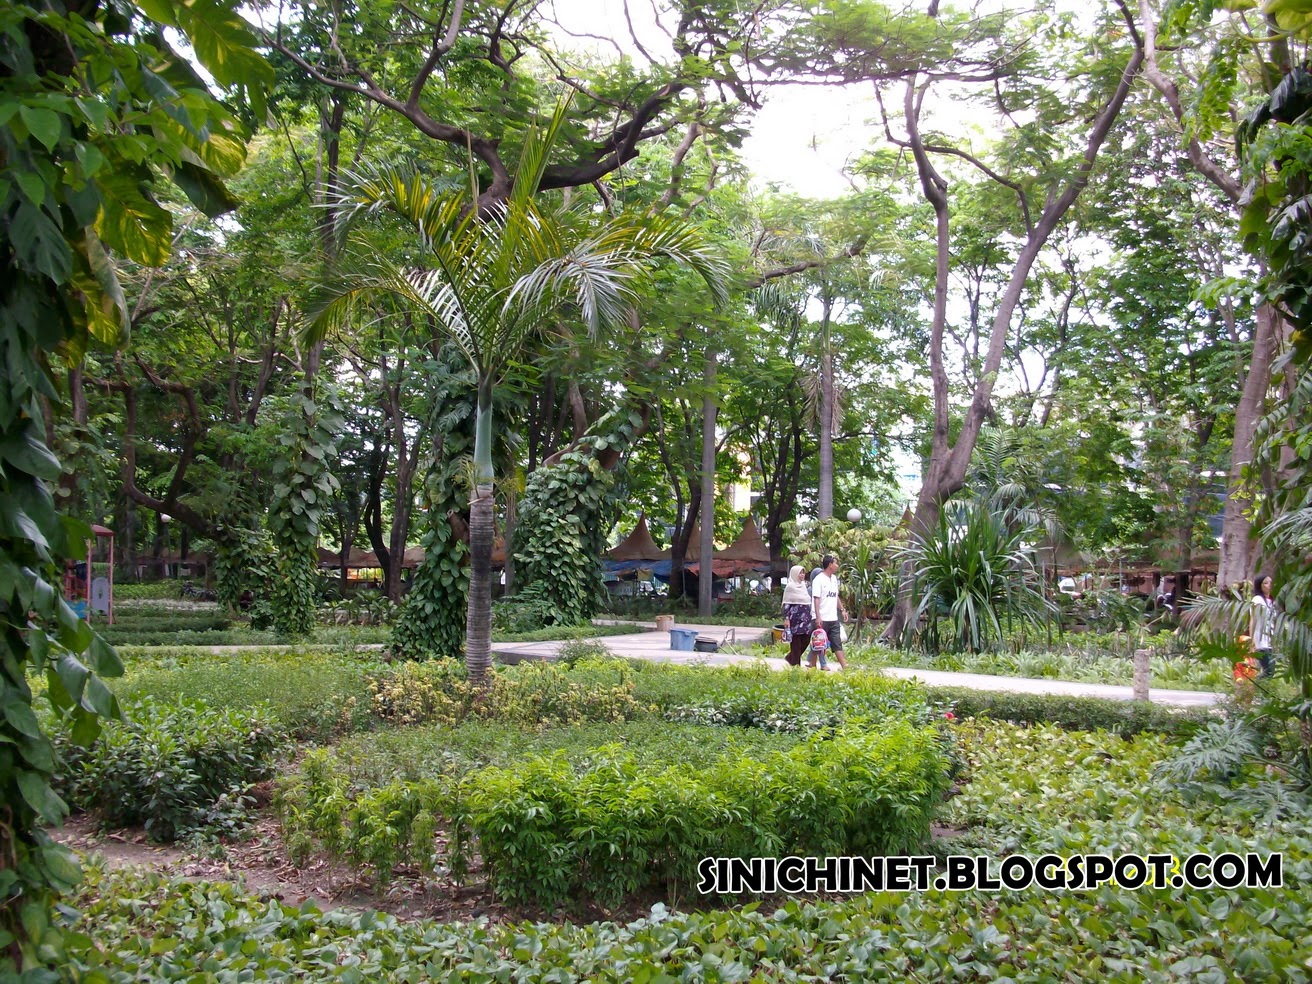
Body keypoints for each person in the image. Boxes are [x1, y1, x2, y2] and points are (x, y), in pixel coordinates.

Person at [809, 554, 848, 670]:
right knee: (818, 642)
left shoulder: (834, 579)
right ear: (830, 565)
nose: (837, 566)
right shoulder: (819, 579)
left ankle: (844, 665)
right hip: (822, 617)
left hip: (833, 617)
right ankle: (812, 664)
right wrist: (817, 617)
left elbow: (835, 596)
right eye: (835, 563)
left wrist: (842, 610)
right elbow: (816, 598)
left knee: (836, 642)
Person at [781, 565, 814, 667]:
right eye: (800, 573)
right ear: (795, 574)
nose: (802, 575)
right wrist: (786, 619)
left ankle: (791, 657)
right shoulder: (790, 587)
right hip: (795, 619)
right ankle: (796, 666)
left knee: (806, 640)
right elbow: (786, 604)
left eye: (803, 573)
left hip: (806, 619)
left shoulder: (804, 586)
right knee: (796, 643)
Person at [1250, 572, 1277, 677]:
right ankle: (1253, 689)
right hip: (1260, 640)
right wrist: (1252, 641)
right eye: (1266, 583)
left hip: (1270, 640)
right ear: (1260, 586)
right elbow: (1253, 620)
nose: (1269, 585)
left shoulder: (1272, 602)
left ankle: (1259, 691)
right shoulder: (1257, 600)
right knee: (1269, 670)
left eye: (1270, 582)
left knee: (1270, 671)